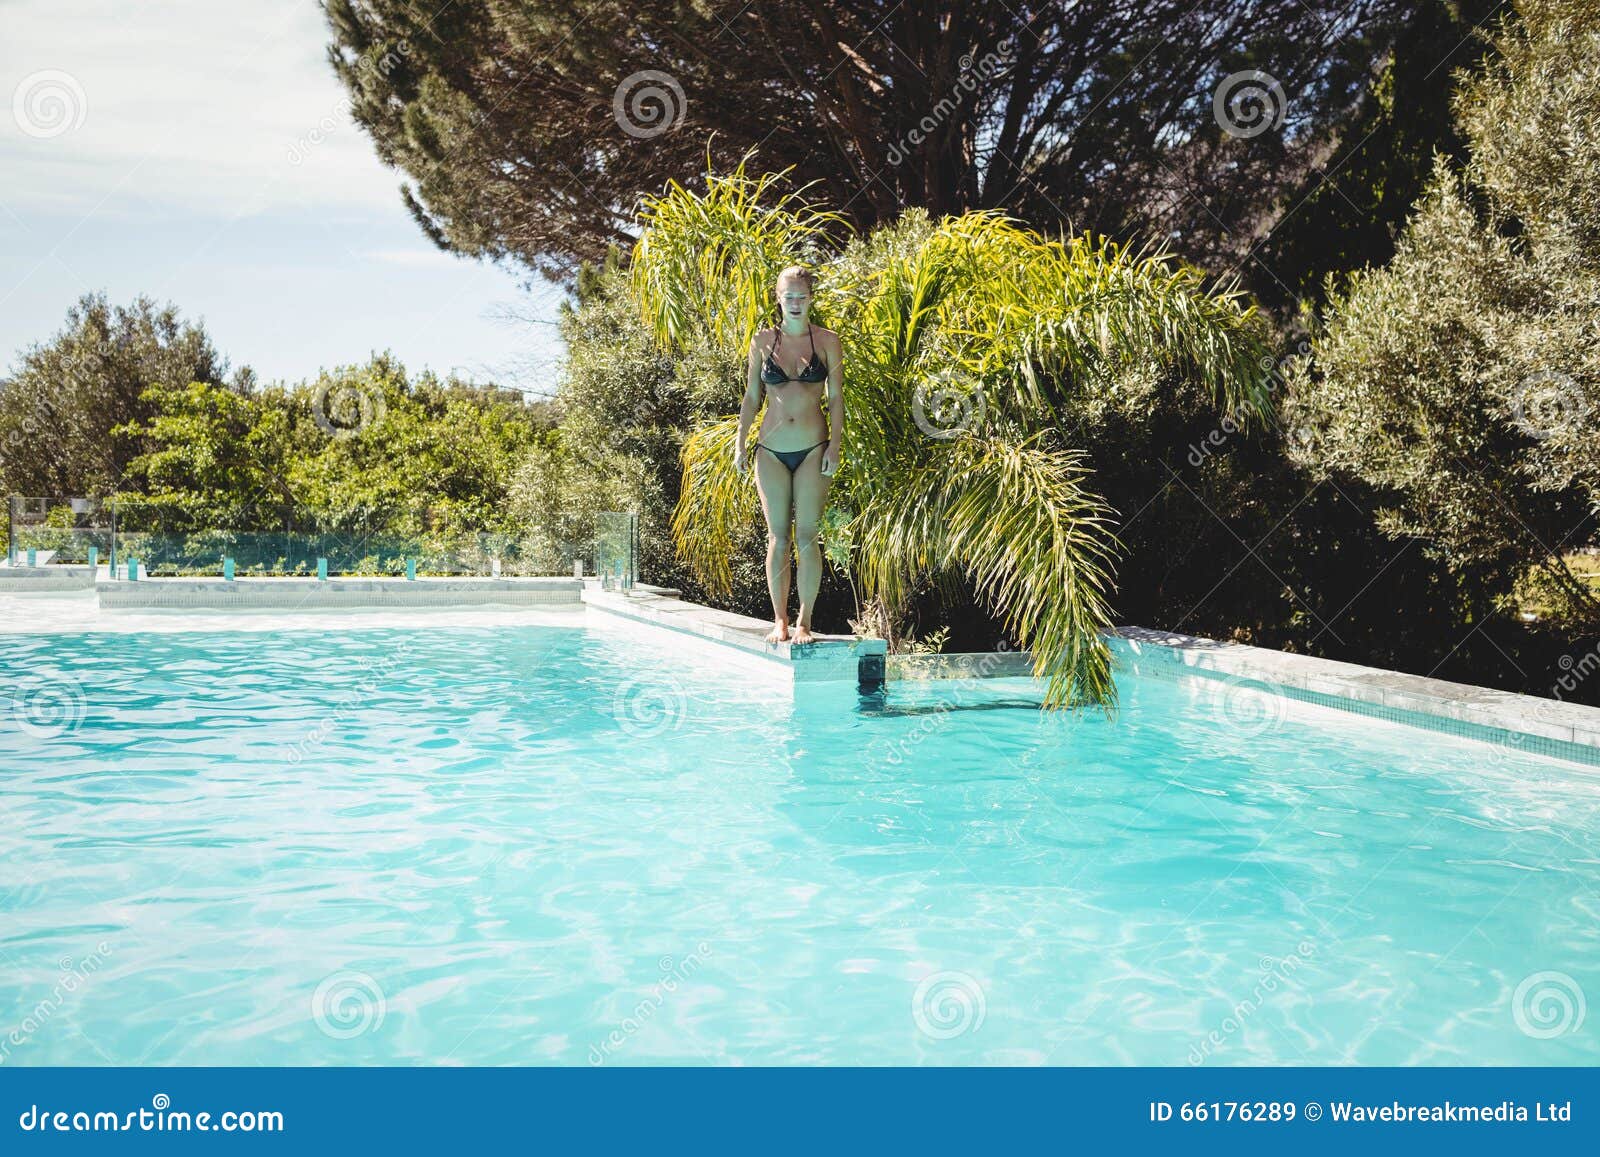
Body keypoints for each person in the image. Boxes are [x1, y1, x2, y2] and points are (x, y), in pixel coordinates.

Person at [733, 265, 844, 645]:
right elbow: (751, 397)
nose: (795, 303)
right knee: (777, 538)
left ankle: (805, 622)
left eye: (801, 296)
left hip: (814, 448)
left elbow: (835, 398)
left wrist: (835, 444)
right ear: (777, 298)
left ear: (811, 298)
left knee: (808, 538)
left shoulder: (828, 341)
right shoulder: (763, 341)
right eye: (788, 296)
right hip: (771, 451)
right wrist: (740, 441)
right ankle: (779, 620)